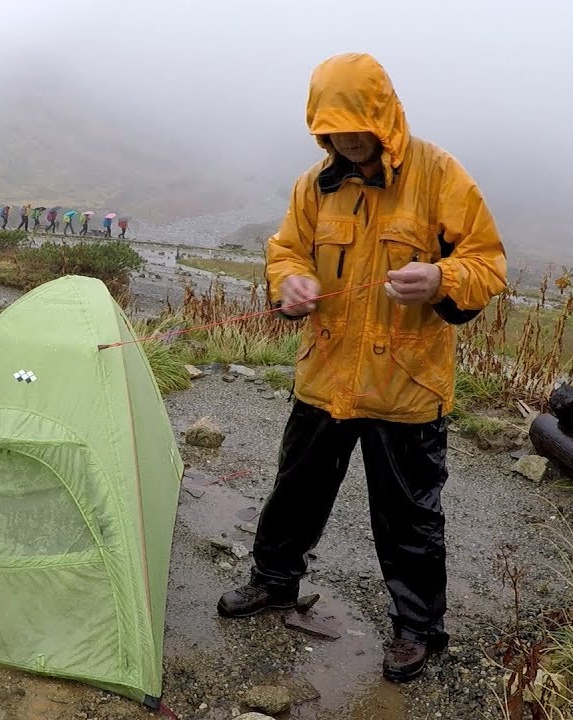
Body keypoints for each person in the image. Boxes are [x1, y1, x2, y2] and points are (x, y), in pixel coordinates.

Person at [215, 52, 507, 684]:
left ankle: (418, 628)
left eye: (356, 129)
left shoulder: (439, 175)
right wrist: (290, 280)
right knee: (295, 490)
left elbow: (486, 262)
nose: (347, 143)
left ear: (384, 117)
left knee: (409, 516)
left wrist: (440, 277)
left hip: (406, 387)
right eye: (332, 131)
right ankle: (273, 581)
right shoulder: (314, 186)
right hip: (324, 378)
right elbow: (286, 249)